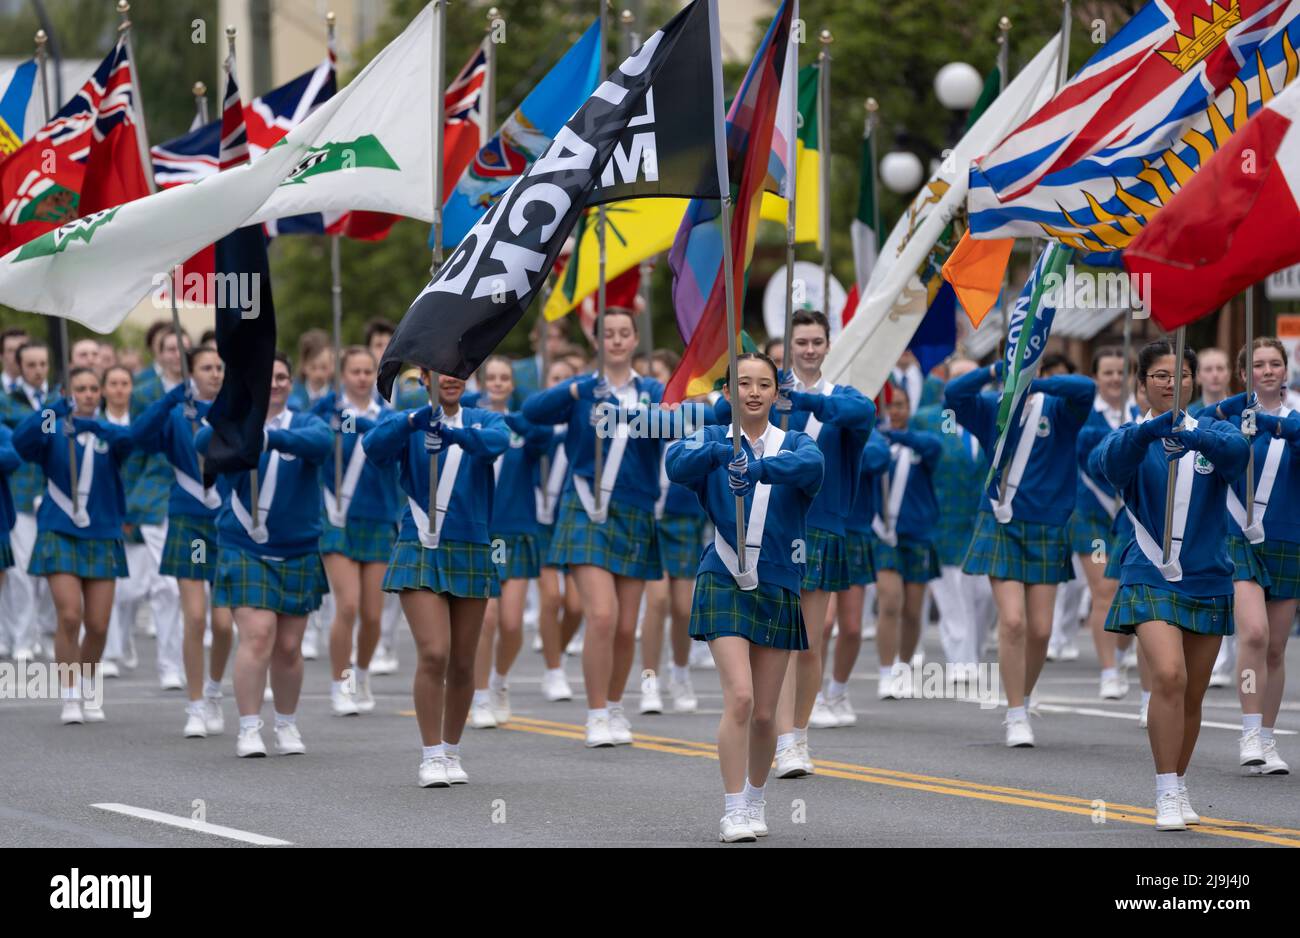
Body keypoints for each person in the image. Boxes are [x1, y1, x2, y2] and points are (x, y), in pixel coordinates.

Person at [666, 351, 823, 842]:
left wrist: (759, 470)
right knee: (740, 697)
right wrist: (720, 454)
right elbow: (675, 462)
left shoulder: (794, 441)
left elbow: (810, 467)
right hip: (723, 575)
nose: (753, 392)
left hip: (778, 580)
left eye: (764, 384)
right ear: (729, 392)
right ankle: (733, 807)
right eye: (744, 384)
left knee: (764, 713)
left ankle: (756, 797)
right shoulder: (714, 438)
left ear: (777, 394)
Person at [1095, 339, 1248, 830]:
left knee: (1193, 695)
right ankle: (1163, 790)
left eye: (1180, 375)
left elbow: (1237, 454)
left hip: (1207, 574)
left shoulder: (1211, 429)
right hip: (1149, 572)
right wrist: (1150, 433)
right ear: (1142, 385)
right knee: (1169, 676)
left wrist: (1194, 434)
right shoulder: (1132, 436)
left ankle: (1179, 783)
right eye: (1159, 375)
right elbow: (1108, 464)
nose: (1171, 383)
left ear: (1193, 380)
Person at [522, 307, 688, 748]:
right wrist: (575, 390)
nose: (615, 340)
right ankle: (595, 712)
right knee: (601, 615)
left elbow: (679, 425)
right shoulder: (581, 390)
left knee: (624, 625)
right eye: (607, 333)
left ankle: (615, 705)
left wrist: (627, 416)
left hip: (635, 509)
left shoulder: (653, 390)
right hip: (587, 506)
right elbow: (532, 411)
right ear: (596, 341)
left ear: (635, 340)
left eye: (623, 333)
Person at [364, 371, 508, 787]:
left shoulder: (481, 419)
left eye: (460, 371)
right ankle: (429, 755)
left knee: (464, 662)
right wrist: (413, 422)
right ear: (425, 377)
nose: (453, 378)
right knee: (434, 652)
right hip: (419, 544)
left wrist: (452, 434)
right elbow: (372, 448)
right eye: (443, 371)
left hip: (471, 545)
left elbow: (496, 444)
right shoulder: (409, 421)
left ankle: (451, 749)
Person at [945, 355, 1094, 747]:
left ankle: (1023, 698)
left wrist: (1036, 383)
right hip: (1002, 521)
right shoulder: (992, 407)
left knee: (1042, 629)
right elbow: (954, 393)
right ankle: (1014, 714)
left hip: (1046, 524)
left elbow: (1086, 389)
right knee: (1013, 622)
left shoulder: (1058, 407)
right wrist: (997, 373)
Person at [751, 310, 874, 778]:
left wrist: (802, 399)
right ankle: (780, 738)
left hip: (821, 529)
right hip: (772, 525)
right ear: (789, 345)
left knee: (810, 640)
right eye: (800, 341)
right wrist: (768, 395)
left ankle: (798, 735)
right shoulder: (769, 396)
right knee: (777, 637)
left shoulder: (844, 398)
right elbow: (726, 412)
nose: (808, 349)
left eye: (816, 342)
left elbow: (860, 417)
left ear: (828, 346)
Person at [197, 353, 331, 758]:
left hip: (297, 548)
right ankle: (249, 727)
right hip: (245, 545)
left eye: (282, 377)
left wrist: (271, 438)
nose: (275, 384)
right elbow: (201, 443)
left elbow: (321, 444)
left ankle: (286, 724)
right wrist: (239, 421)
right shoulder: (236, 420)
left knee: (289, 646)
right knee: (258, 636)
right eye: (266, 377)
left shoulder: (306, 422)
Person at [13, 367, 135, 724]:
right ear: (69, 392)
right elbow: (21, 443)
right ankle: (69, 695)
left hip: (102, 531)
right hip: (59, 529)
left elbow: (131, 441)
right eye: (79, 389)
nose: (86, 394)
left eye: (92, 388)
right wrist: (52, 409)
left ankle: (88, 684)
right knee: (69, 615)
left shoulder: (108, 432)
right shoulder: (53, 427)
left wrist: (92, 427)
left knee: (97, 624)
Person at [131, 349, 233, 738]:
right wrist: (171, 399)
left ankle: (214, 690)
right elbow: (137, 437)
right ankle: (193, 705)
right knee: (195, 616)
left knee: (223, 623)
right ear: (191, 373)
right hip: (190, 522)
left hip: (225, 522)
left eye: (219, 367)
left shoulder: (232, 410)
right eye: (206, 368)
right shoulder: (177, 413)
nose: (215, 374)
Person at [1213, 338, 1300, 776]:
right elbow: (1198, 425)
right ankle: (1249, 729)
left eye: (1275, 364)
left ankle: (1268, 737)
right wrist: (1235, 410)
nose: (1267, 371)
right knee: (1253, 633)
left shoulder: (1296, 417)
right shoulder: (1232, 419)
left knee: (1276, 648)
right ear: (1245, 373)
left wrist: (1268, 423)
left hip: (1287, 539)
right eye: (1258, 366)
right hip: (1239, 536)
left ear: (1285, 370)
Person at [313, 347, 399, 717]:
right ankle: (341, 683)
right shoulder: (327, 411)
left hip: (378, 517)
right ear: (343, 374)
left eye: (369, 371)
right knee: (346, 605)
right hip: (338, 519)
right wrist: (329, 416)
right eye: (356, 371)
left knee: (374, 614)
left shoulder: (389, 416)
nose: (363, 377)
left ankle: (361, 674)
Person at [469, 355, 550, 728]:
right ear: (483, 382)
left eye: (505, 378)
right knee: (486, 619)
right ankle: (481, 694)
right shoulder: (472, 420)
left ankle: (500, 680)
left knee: (513, 623)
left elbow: (543, 437)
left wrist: (514, 417)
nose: (498, 383)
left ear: (512, 385)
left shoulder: (522, 425)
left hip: (517, 531)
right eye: (492, 377)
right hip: (482, 531)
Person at [912, 357, 993, 683]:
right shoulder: (927, 420)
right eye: (958, 376)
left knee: (985, 594)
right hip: (941, 521)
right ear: (946, 382)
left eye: (972, 376)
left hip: (982, 521)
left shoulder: (990, 418)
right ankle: (961, 659)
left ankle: (975, 648)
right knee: (953, 594)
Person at [1066, 347, 1140, 698]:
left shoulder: (1139, 413)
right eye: (1107, 372)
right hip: (1092, 517)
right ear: (1096, 377)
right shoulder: (1085, 416)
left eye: (1120, 372)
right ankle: (1108, 669)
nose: (1114, 379)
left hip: (1131, 516)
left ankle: (1122, 652)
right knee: (1104, 591)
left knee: (1128, 591)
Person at [863, 381, 942, 700]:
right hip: (885, 536)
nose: (894, 411)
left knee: (913, 610)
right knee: (890, 603)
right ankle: (885, 671)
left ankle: (904, 667)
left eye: (900, 405)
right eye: (889, 406)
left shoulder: (921, 444)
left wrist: (891, 434)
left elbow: (935, 449)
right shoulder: (872, 445)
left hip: (918, 535)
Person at [639, 348, 707, 715]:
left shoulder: (703, 419)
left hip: (685, 518)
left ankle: (680, 674)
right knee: (658, 601)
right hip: (653, 516)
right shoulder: (656, 416)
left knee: (683, 607)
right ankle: (650, 680)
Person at [130, 325, 187, 690]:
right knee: (167, 588)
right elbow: (136, 445)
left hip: (194, 496)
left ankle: (192, 660)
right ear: (158, 353)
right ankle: (169, 664)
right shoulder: (144, 392)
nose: (175, 354)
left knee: (191, 589)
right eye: (168, 348)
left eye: (181, 348)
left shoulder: (203, 390)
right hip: (154, 496)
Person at [534, 358, 583, 702]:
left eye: (568, 379)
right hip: (538, 521)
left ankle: (558, 654)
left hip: (570, 519)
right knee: (551, 597)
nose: (561, 384)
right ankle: (553, 670)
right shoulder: (538, 424)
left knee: (577, 605)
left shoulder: (581, 424)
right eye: (556, 378)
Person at [0, 338, 52, 662]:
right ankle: (20, 637)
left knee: (47, 575)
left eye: (42, 364)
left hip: (53, 493)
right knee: (20, 572)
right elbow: (15, 444)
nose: (37, 370)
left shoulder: (58, 398)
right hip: (20, 495)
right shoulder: (6, 402)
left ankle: (42, 632)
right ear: (20, 366)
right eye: (30, 364)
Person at [287, 329, 334, 413]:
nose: (318, 374)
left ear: (331, 365)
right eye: (313, 367)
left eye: (324, 367)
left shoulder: (338, 395)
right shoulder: (293, 393)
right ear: (304, 366)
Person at [1190, 347, 1232, 413]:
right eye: (1208, 369)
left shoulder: (1240, 410)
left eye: (1220, 368)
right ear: (1198, 376)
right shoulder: (1189, 415)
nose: (1215, 374)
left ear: (1229, 374)